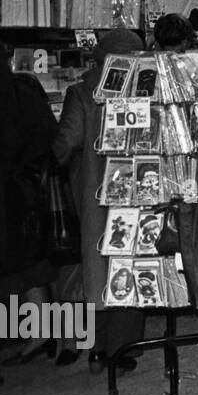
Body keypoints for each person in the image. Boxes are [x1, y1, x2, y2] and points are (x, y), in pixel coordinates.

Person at [53, 29, 148, 374]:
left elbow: (65, 144)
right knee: (131, 262)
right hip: (139, 190)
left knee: (95, 266)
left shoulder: (81, 92)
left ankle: (93, 347)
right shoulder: (147, 88)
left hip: (92, 193)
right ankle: (121, 350)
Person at [0, 40, 60, 366]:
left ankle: (32, 334)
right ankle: (43, 333)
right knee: (31, 266)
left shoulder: (3, 95)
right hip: (27, 192)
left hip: (6, 196)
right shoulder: (24, 89)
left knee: (18, 267)